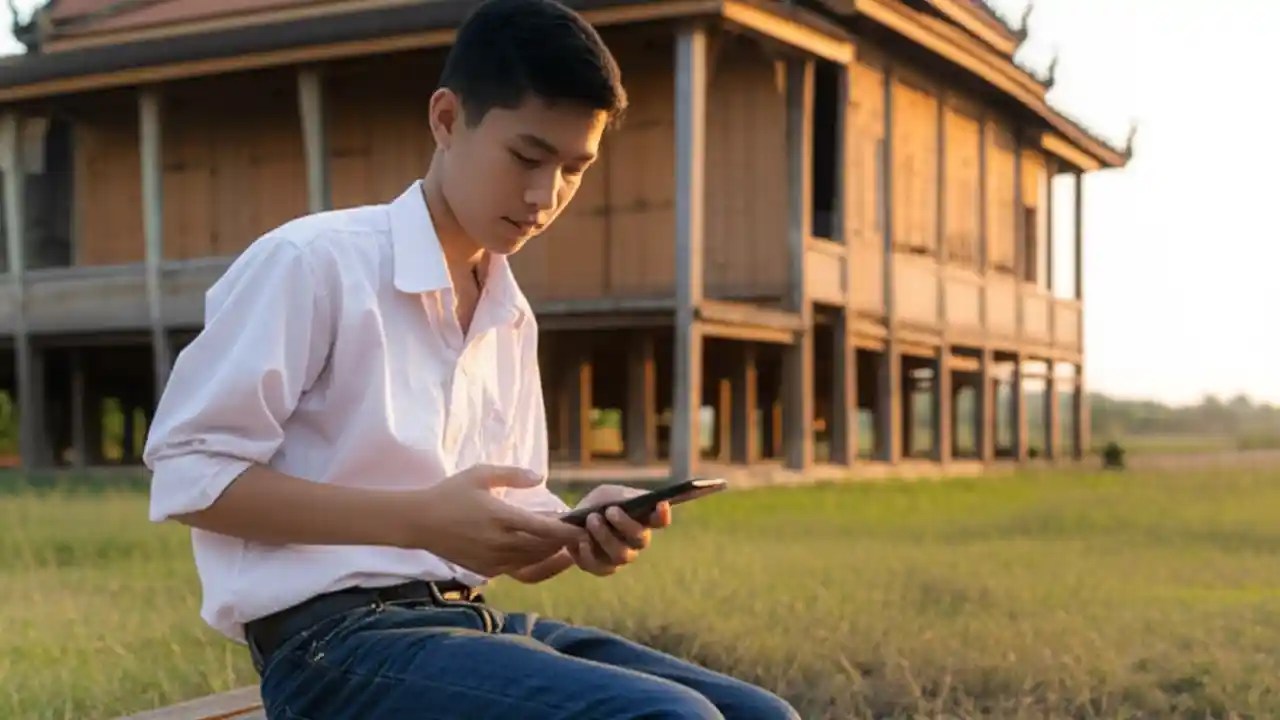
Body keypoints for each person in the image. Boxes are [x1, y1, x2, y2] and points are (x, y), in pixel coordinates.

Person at [142, 0, 800, 717]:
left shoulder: (508, 313)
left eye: (574, 169)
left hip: (468, 623)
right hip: (331, 648)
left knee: (763, 715)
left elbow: (504, 540)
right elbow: (190, 475)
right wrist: (417, 520)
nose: (544, 196)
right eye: (527, 156)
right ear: (447, 120)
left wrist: (578, 532)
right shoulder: (314, 262)